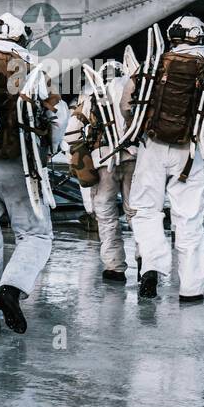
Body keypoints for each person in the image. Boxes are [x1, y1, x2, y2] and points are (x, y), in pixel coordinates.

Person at [123, 15, 204, 303]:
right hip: (190, 150)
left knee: (146, 211)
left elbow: (127, 104)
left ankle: (151, 265)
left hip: (152, 145)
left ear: (174, 35)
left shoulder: (156, 63)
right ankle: (191, 288)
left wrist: (134, 131)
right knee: (189, 220)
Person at [0, 13, 67, 335]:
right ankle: (11, 288)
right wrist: (49, 150)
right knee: (35, 234)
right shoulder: (30, 69)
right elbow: (57, 115)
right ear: (21, 38)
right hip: (20, 166)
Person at [66, 61, 138, 282]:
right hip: (134, 159)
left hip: (102, 161)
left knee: (106, 216)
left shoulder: (91, 96)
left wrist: (77, 159)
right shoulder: (133, 89)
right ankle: (146, 261)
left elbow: (71, 133)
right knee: (137, 213)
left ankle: (114, 267)